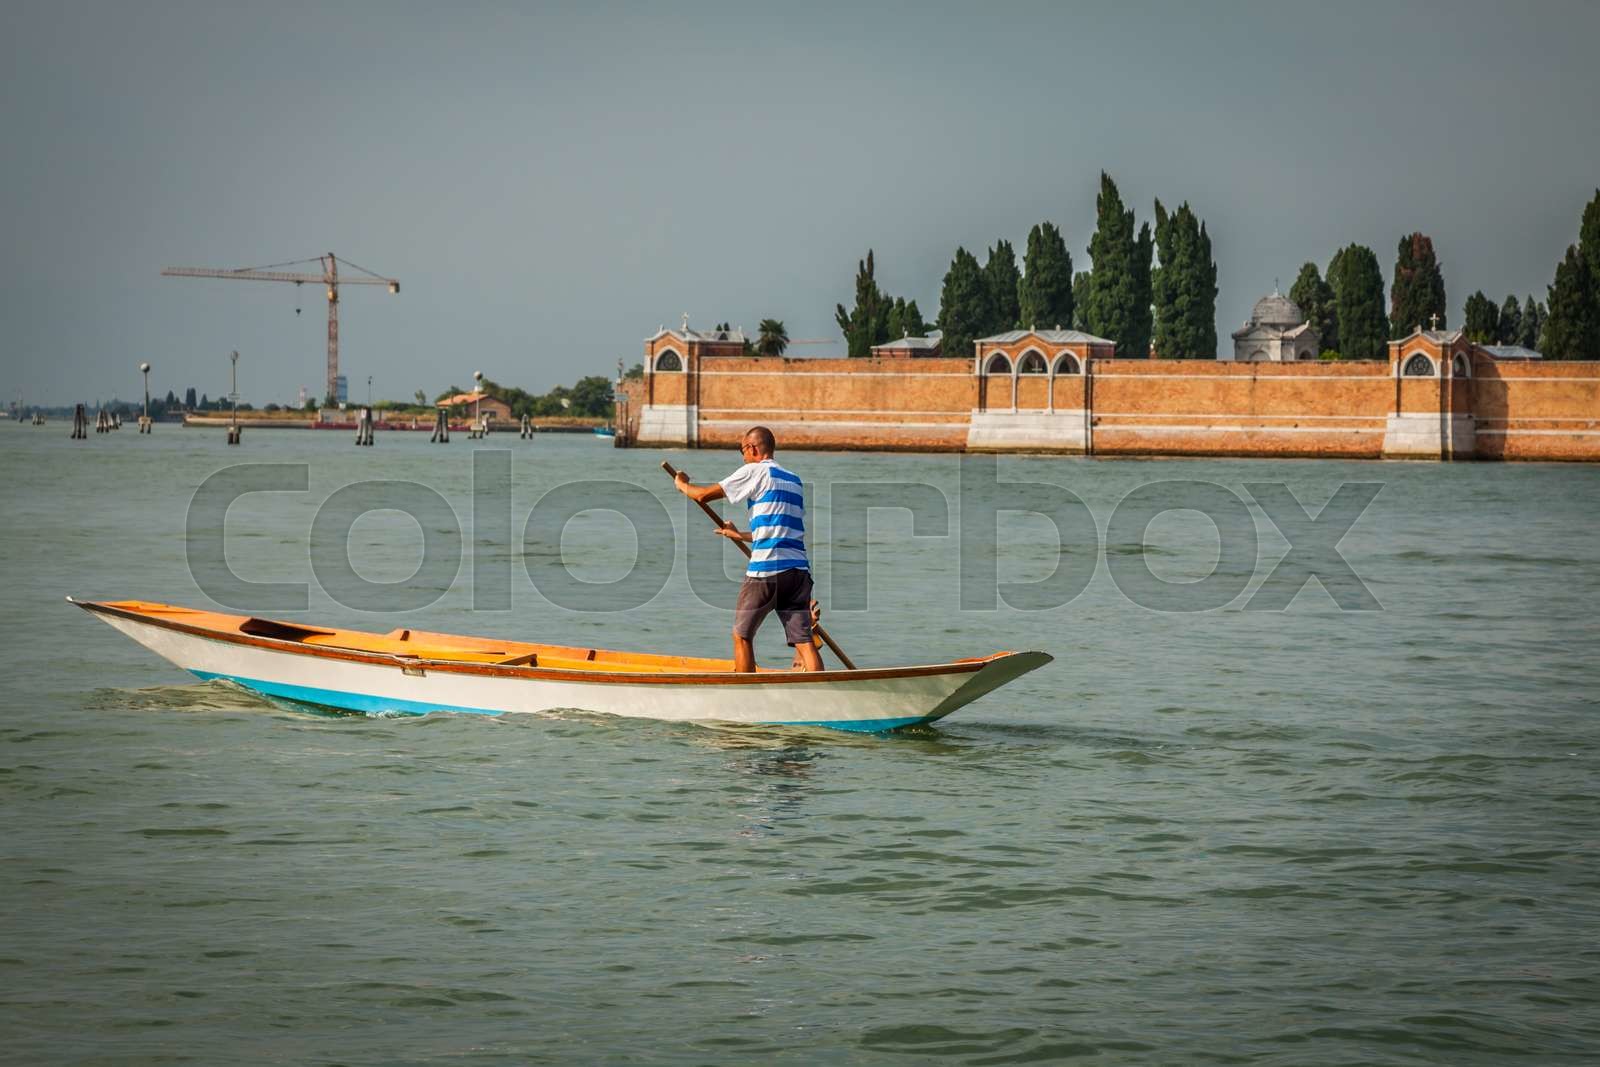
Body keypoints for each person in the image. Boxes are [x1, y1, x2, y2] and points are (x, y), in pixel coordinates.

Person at [673, 426, 823, 673]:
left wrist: (682, 485)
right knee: (804, 641)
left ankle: (745, 695)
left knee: (742, 635)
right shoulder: (793, 480)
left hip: (766, 571)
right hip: (798, 571)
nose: (742, 456)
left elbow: (701, 496)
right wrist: (738, 535)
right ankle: (822, 693)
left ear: (752, 448)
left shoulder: (755, 470)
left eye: (741, 450)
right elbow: (777, 531)